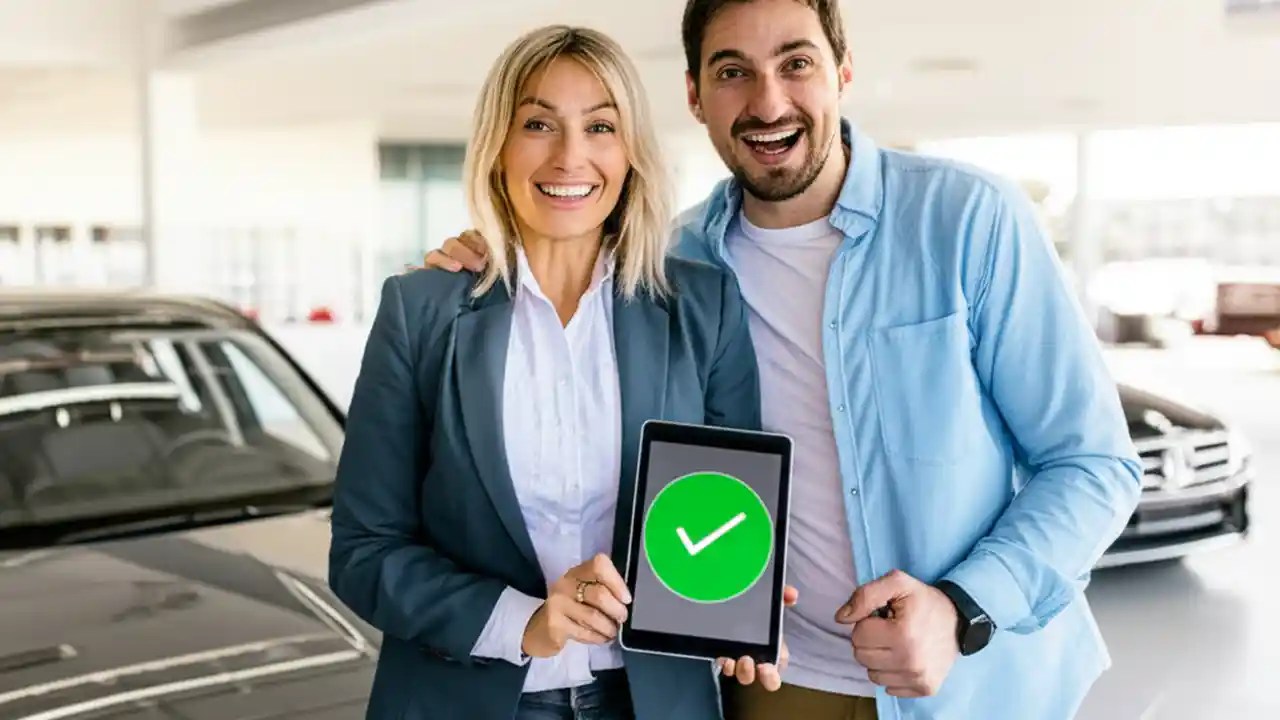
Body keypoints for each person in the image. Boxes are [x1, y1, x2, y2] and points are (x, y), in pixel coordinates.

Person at [421, 1, 1144, 719]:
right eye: (733, 71)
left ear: (843, 72)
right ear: (695, 96)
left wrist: (963, 607)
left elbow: (1093, 466)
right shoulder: (671, 266)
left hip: (977, 684)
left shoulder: (969, 220)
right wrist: (494, 258)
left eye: (796, 63)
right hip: (775, 687)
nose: (767, 102)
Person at [328, 25, 792, 720]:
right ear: (499, 146)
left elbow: (726, 512)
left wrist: (739, 605)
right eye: (538, 123)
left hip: (653, 702)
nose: (570, 156)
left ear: (630, 149)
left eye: (600, 126)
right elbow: (365, 551)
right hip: (464, 698)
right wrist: (524, 622)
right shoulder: (421, 310)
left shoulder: (703, 307)